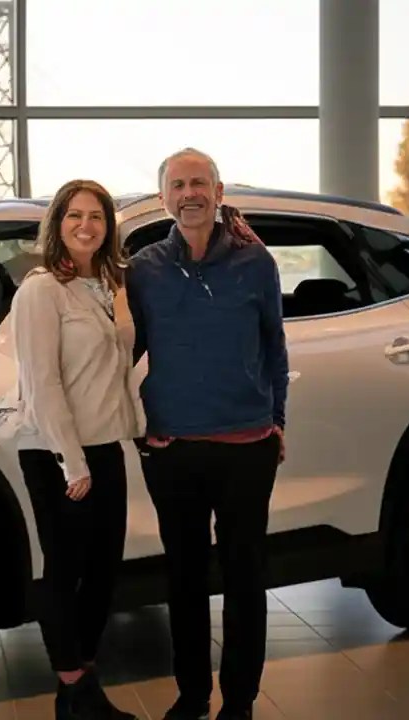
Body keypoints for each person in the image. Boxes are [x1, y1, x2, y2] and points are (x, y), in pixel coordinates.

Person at [124, 148, 289, 720]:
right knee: (184, 582)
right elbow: (123, 353)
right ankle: (192, 695)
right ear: (163, 196)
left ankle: (239, 701)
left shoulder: (256, 263)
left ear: (218, 193)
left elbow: (274, 346)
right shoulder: (142, 269)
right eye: (178, 184)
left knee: (246, 581)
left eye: (200, 183)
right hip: (174, 451)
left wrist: (279, 421)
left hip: (247, 447)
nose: (189, 193)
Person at [11, 178, 146, 720]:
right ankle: (76, 686)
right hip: (54, 451)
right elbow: (43, 382)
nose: (86, 226)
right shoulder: (42, 290)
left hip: (105, 444)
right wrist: (72, 461)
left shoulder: (110, 284)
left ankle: (79, 688)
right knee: (65, 569)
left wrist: (137, 428)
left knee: (106, 570)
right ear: (57, 225)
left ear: (108, 227)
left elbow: (116, 371)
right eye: (74, 217)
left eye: (96, 217)